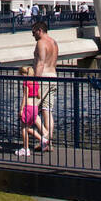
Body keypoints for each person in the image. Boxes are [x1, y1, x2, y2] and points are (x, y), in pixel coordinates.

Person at [31, 19, 57, 152]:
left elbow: (40, 63)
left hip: (43, 78)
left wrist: (35, 81)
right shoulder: (54, 42)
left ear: (40, 30)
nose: (33, 35)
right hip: (53, 76)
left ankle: (45, 136)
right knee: (47, 110)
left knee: (30, 110)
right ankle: (48, 143)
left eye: (34, 32)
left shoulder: (41, 43)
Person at [15, 66, 44, 156]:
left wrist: (21, 109)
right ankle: (43, 139)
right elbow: (39, 96)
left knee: (24, 128)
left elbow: (25, 97)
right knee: (28, 128)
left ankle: (26, 148)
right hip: (35, 107)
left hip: (28, 107)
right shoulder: (36, 83)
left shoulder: (26, 83)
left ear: (24, 74)